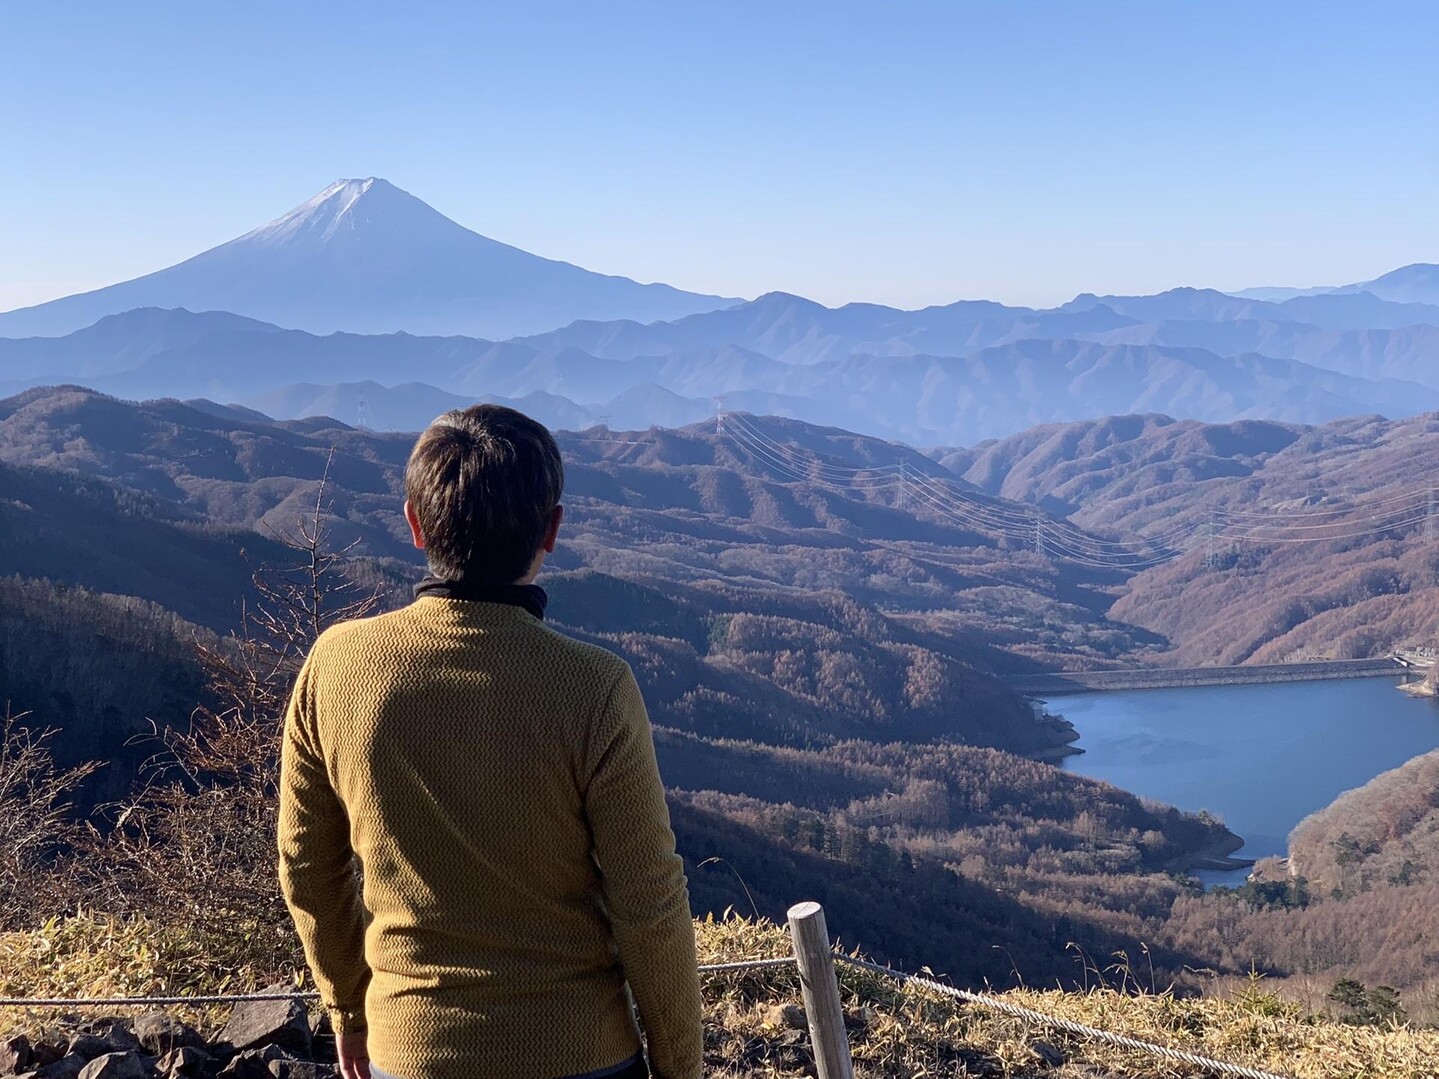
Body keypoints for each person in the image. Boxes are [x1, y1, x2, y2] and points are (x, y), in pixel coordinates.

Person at [277, 405, 704, 1079]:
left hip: (407, 1049)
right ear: (553, 529)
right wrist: (679, 1065)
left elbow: (306, 863)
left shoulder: (336, 666)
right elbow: (649, 899)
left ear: (414, 523)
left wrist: (350, 1011)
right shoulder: (594, 687)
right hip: (580, 1054)